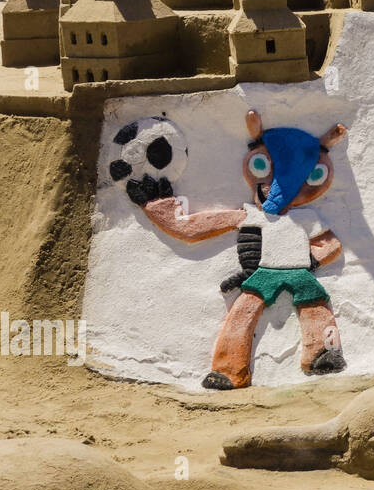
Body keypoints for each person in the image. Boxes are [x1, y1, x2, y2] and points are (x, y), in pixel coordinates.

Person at [135, 109, 350, 389]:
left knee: (316, 308)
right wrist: (161, 209)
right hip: (263, 274)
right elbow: (197, 227)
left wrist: (309, 260)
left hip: (300, 273)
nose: (274, 188)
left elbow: (331, 243)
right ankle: (229, 369)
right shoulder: (250, 215)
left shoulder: (308, 218)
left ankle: (322, 354)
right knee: (242, 312)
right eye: (263, 167)